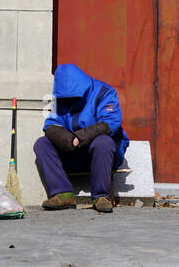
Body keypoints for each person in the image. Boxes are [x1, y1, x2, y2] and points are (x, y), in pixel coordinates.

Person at [34, 63, 129, 213]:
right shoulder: (60, 98)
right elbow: (51, 125)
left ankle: (100, 196)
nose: (69, 99)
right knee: (42, 143)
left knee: (103, 141)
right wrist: (68, 140)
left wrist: (80, 137)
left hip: (103, 155)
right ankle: (62, 194)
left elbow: (111, 123)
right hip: (73, 151)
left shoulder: (105, 92)